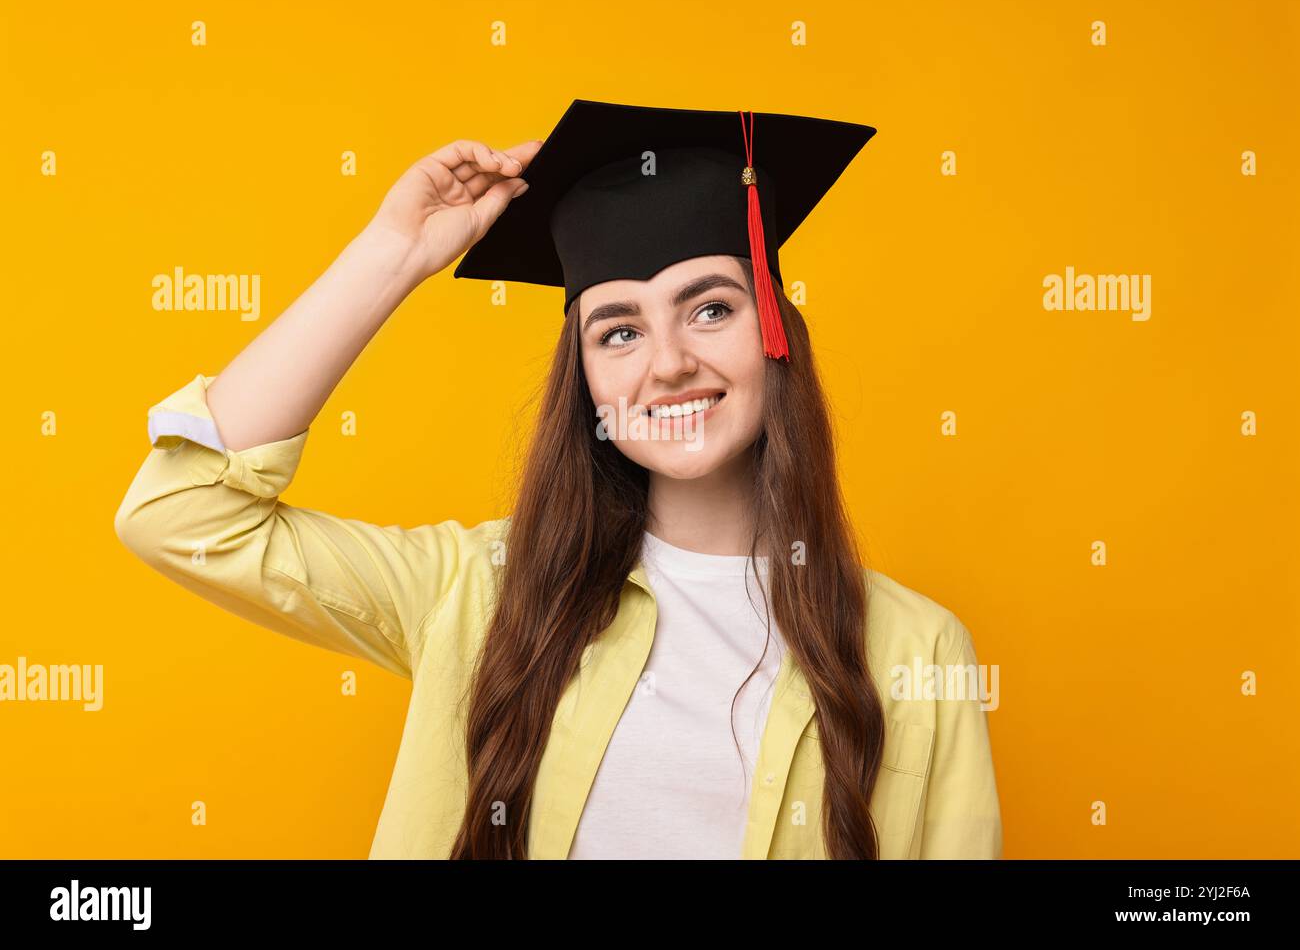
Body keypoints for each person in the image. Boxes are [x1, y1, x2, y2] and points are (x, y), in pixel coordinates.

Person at [115, 98, 1003, 860]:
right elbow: (179, 513)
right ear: (584, 379)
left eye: (711, 308)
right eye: (618, 330)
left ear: (775, 331)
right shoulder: (476, 594)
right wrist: (393, 254)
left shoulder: (917, 652)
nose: (669, 363)